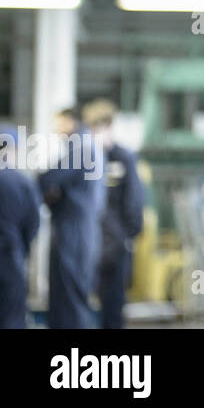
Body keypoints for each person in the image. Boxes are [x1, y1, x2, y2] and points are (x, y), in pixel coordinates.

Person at [39, 108, 105, 329]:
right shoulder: (83, 147)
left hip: (74, 230)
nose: (56, 130)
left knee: (70, 295)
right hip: (76, 227)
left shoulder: (81, 149)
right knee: (65, 293)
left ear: (71, 122)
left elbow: (48, 178)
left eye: (59, 124)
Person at [82, 98, 144, 329]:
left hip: (116, 245)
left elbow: (134, 200)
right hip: (89, 244)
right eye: (95, 128)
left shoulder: (123, 158)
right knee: (83, 307)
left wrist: (128, 236)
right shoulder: (83, 160)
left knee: (113, 308)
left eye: (104, 126)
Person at [0, 122, 41, 328]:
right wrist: (20, 248)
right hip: (10, 254)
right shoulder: (22, 182)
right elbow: (33, 223)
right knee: (12, 315)